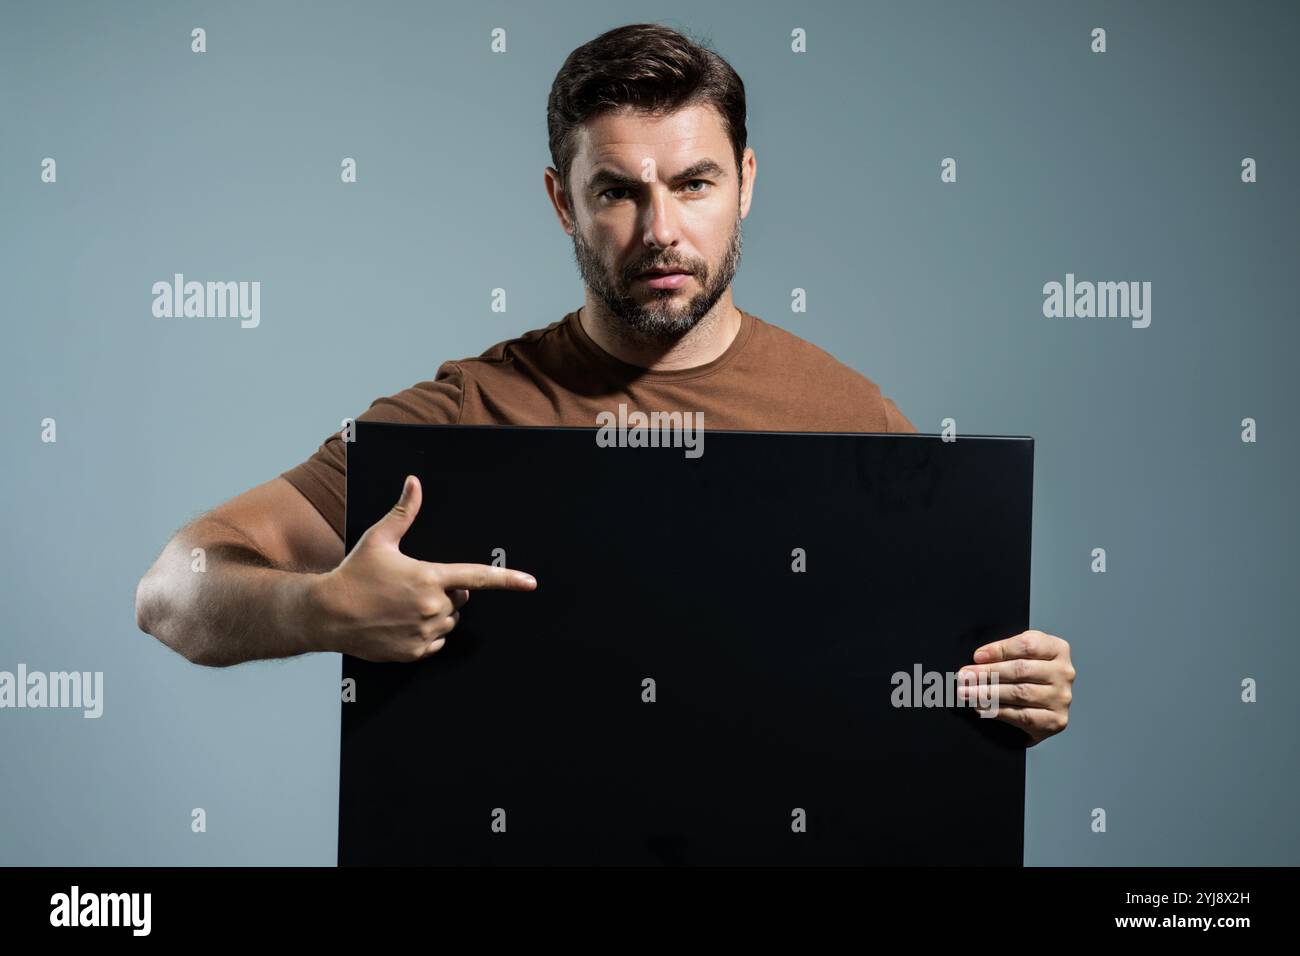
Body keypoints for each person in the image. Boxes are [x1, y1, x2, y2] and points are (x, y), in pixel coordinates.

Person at [135, 23, 1074, 746]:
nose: (661, 230)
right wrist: (322, 607)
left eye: (695, 184)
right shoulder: (470, 413)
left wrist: (1020, 688)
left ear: (745, 182)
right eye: (619, 191)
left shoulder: (851, 420)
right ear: (562, 202)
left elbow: (943, 677)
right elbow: (173, 594)